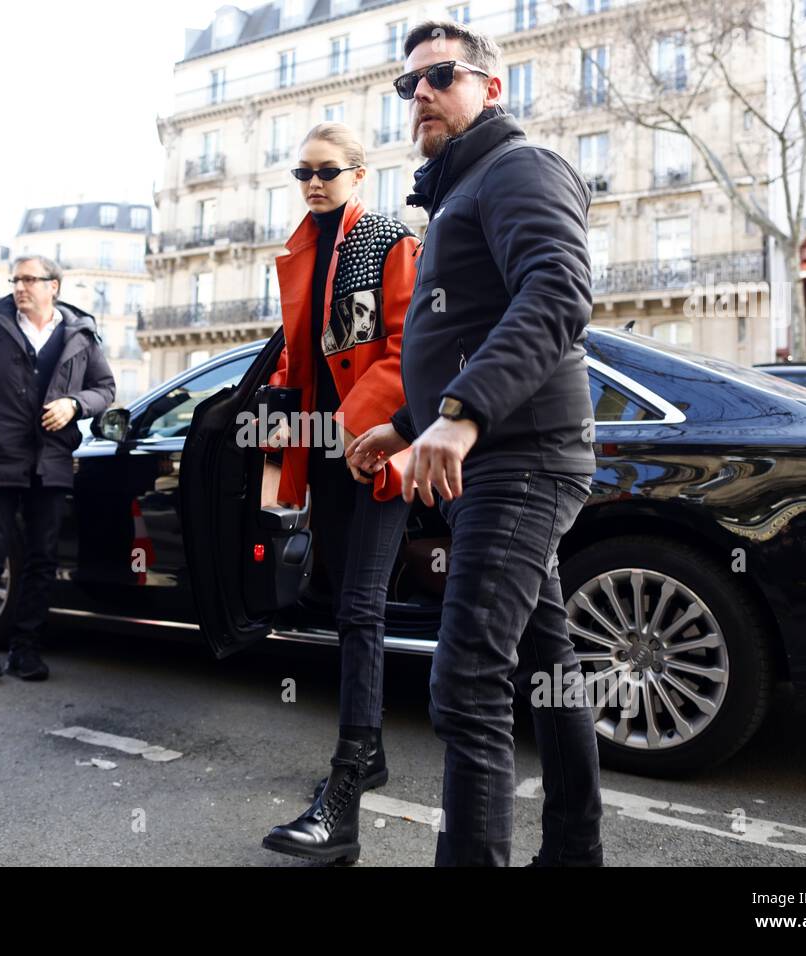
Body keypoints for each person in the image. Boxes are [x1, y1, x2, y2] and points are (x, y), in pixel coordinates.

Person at [347, 20, 603, 867]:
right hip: (500, 453)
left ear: (491, 87)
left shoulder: (520, 167)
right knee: (547, 663)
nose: (420, 92)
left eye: (441, 76)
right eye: (408, 84)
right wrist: (407, 424)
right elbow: (470, 330)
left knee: (466, 681)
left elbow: (557, 293)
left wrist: (462, 415)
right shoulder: (461, 190)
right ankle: (574, 854)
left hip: (520, 457)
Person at [259, 122, 421, 865]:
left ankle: (348, 782)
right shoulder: (303, 249)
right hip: (325, 452)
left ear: (360, 173)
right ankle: (371, 751)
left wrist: (362, 428)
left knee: (361, 607)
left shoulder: (387, 239)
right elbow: (301, 358)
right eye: (303, 173)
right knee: (346, 607)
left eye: (326, 170)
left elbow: (406, 350)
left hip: (375, 447)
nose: (313, 183)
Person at [0, 255, 115, 683]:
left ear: (54, 285)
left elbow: (105, 388)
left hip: (51, 460)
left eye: (30, 279)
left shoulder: (80, 335)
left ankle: (26, 649)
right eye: (16, 279)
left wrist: (74, 404)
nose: (20, 287)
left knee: (42, 558)